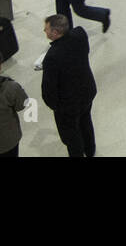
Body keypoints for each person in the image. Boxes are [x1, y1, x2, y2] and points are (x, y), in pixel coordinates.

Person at [41, 13, 98, 157]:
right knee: (86, 121)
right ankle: (90, 150)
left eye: (46, 29)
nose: (44, 31)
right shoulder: (80, 35)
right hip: (87, 91)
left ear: (55, 32)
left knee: (71, 135)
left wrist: (56, 106)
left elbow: (49, 90)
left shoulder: (51, 57)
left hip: (68, 104)